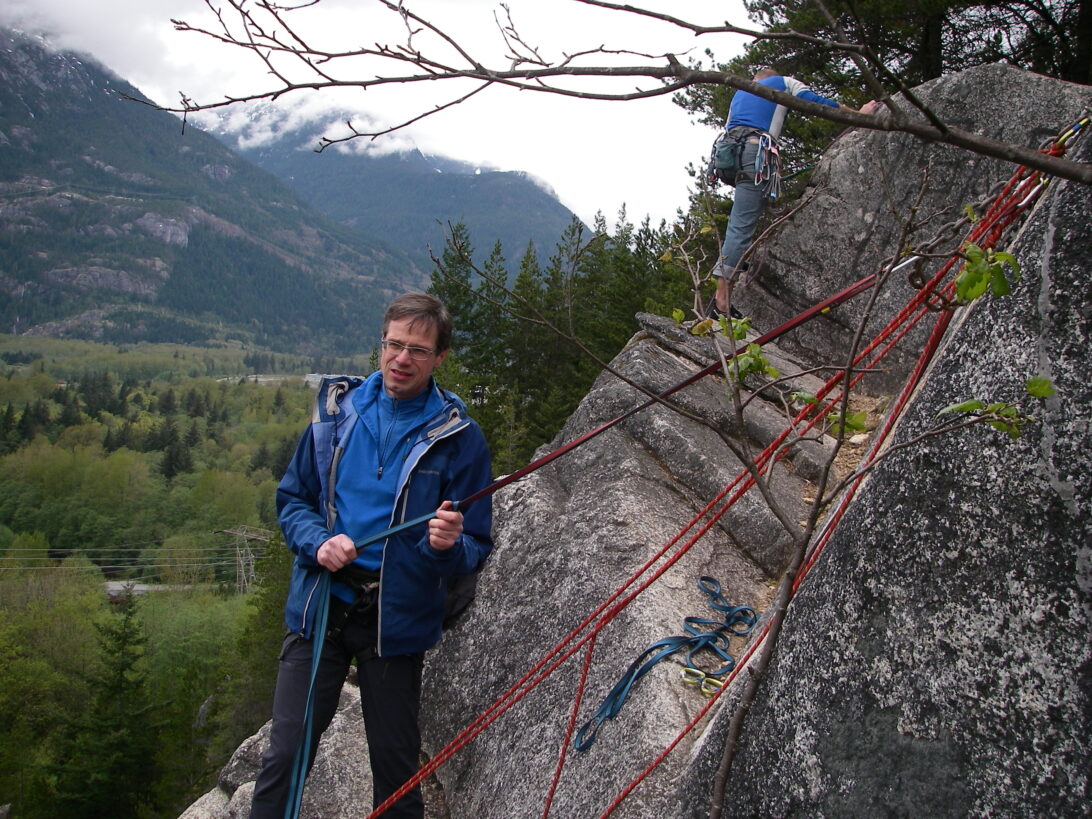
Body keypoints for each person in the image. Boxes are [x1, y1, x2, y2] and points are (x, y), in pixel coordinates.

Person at [249, 292, 494, 819]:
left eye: (418, 350)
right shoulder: (337, 415)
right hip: (322, 606)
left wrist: (449, 546)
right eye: (394, 344)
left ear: (440, 358)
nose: (401, 359)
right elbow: (292, 500)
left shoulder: (460, 440)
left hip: (395, 621)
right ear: (380, 345)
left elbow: (476, 545)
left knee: (396, 771)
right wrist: (318, 541)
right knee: (285, 757)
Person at [710, 68, 878, 318]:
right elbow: (818, 104)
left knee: (746, 220)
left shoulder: (740, 92)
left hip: (727, 156)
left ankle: (729, 283)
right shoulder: (784, 82)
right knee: (742, 225)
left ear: (755, 79)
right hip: (755, 153)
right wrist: (860, 115)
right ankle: (721, 302)